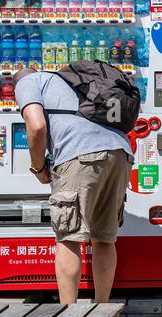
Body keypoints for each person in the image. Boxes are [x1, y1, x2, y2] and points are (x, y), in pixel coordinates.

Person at [14, 66, 133, 304]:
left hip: (79, 155)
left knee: (68, 237)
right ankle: (102, 312)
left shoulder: (27, 82)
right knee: (104, 238)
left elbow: (36, 125)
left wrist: (38, 167)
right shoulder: (64, 81)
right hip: (120, 154)